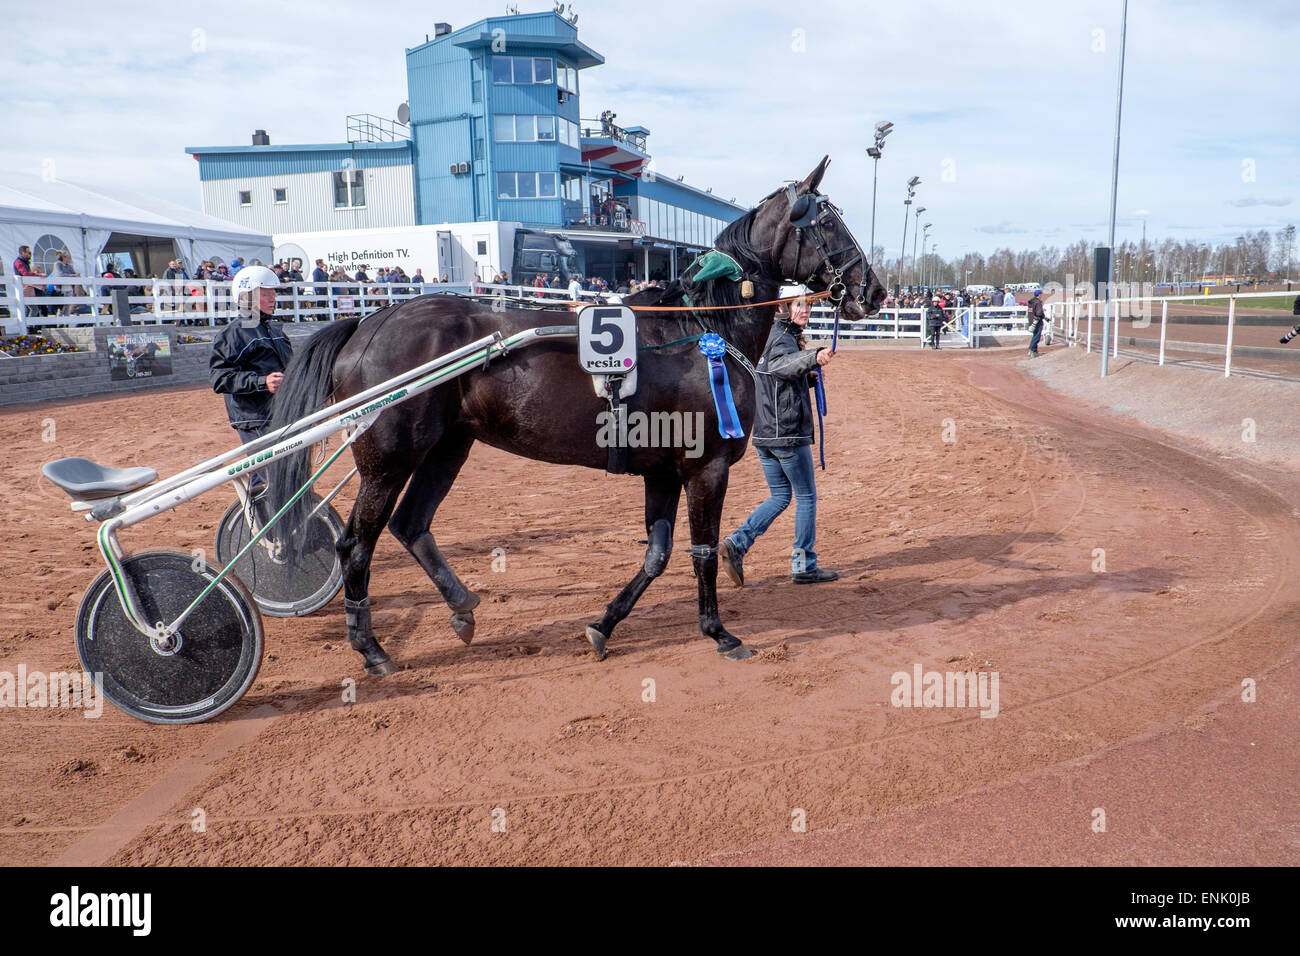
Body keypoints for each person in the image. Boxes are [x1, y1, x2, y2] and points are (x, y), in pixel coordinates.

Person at [721, 293, 838, 586]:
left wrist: (807, 374)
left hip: (765, 432)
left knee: (780, 496)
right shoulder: (783, 336)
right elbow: (779, 365)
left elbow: (776, 374)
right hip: (785, 433)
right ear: (783, 308)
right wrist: (813, 355)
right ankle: (804, 563)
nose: (806, 310)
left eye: (808, 304)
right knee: (807, 497)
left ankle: (738, 542)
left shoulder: (769, 333)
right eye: (799, 304)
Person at [209, 265, 293, 496]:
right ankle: (263, 526)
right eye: (265, 293)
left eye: (273, 293)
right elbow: (220, 377)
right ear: (246, 297)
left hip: (279, 413)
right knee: (269, 479)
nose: (272, 298)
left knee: (289, 474)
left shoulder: (274, 330)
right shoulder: (234, 333)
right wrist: (261, 382)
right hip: (254, 419)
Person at [1027, 288, 1047, 357]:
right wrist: (1043, 317)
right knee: (1037, 336)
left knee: (1034, 335)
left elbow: (1030, 312)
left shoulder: (1031, 302)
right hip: (1037, 321)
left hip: (1031, 321)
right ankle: (1033, 350)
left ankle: (1032, 350)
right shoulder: (1038, 302)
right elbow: (1039, 312)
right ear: (1039, 294)